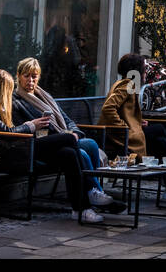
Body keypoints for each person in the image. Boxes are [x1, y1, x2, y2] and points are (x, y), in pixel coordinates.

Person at [0, 69, 103, 223]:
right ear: (2, 89)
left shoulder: (6, 106)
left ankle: (81, 209)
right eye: (9, 89)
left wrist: (34, 127)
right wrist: (31, 125)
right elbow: (7, 133)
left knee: (69, 153)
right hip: (14, 154)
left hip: (26, 147)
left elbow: (16, 130)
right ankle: (90, 190)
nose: (11, 93)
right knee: (69, 138)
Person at [12, 57, 117, 207]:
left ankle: (95, 192)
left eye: (34, 76)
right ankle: (93, 193)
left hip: (64, 137)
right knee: (82, 153)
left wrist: (75, 133)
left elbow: (68, 120)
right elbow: (23, 130)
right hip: (46, 144)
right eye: (26, 76)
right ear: (18, 76)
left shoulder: (45, 96)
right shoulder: (16, 101)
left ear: (39, 77)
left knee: (91, 144)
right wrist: (38, 127)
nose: (30, 80)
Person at [100, 53, 166, 160]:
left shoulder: (125, 83)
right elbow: (108, 108)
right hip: (119, 136)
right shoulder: (128, 85)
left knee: (160, 140)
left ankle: (163, 167)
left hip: (121, 133)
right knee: (159, 129)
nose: (145, 73)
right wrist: (124, 127)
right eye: (144, 70)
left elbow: (125, 112)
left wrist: (138, 122)